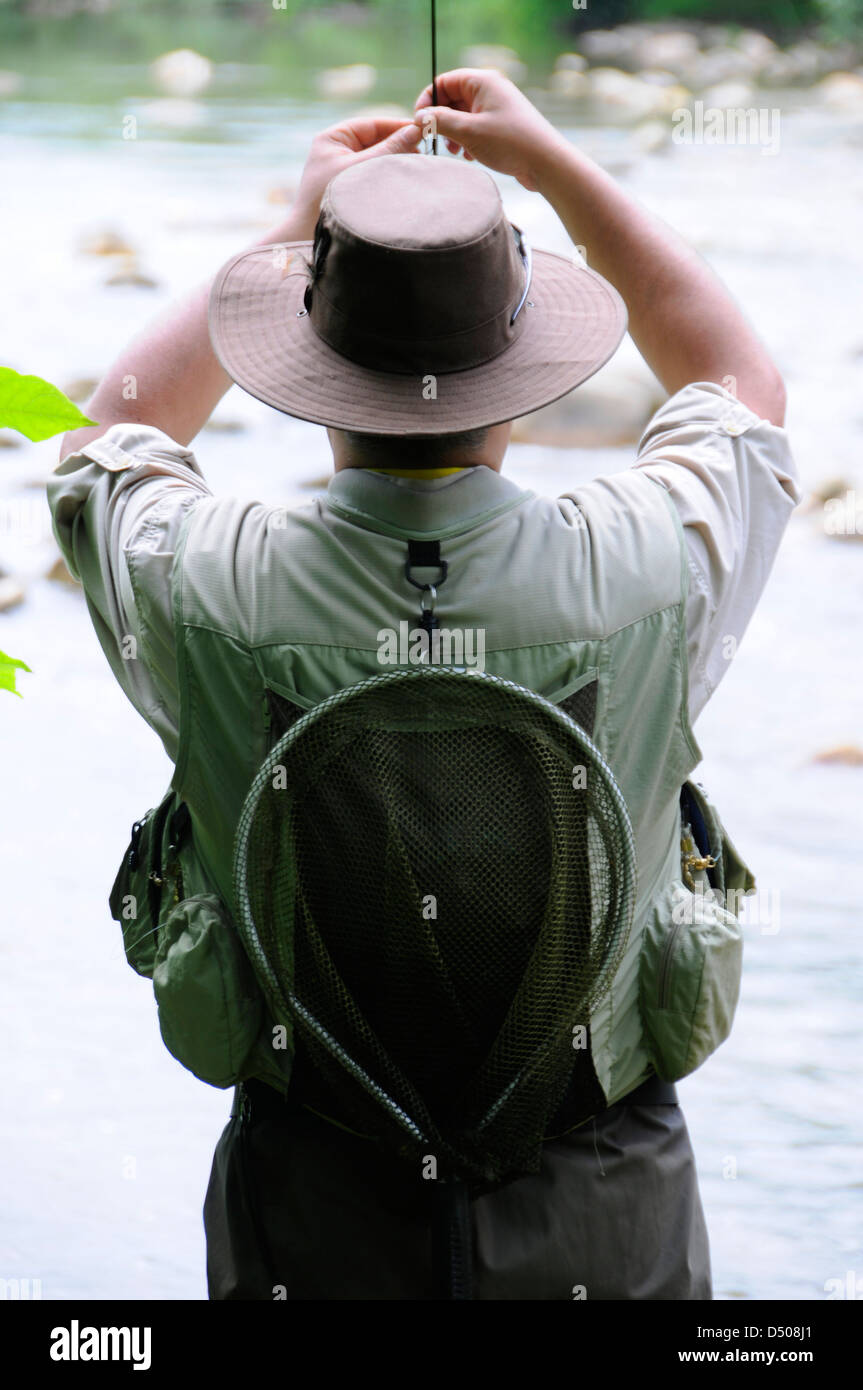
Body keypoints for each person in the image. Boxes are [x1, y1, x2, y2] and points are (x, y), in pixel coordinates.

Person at [48, 68, 798, 1301]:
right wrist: (548, 163)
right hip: (599, 1195)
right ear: (529, 368)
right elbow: (738, 381)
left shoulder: (211, 588)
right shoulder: (647, 565)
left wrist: (300, 230)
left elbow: (101, 441)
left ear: (303, 355)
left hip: (311, 1200)